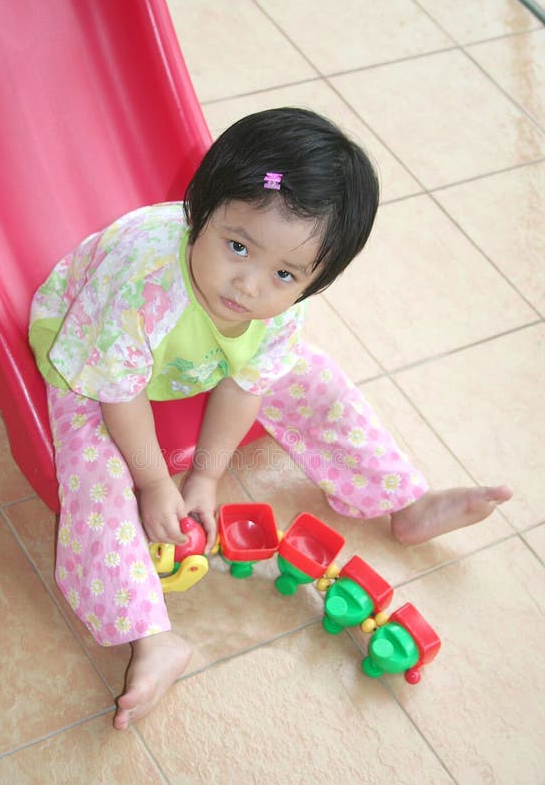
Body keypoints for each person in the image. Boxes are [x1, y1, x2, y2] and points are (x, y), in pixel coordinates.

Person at [29, 108, 512, 730]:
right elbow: (119, 395)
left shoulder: (279, 305)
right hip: (97, 357)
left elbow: (245, 385)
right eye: (237, 246)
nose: (249, 286)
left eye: (284, 273)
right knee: (96, 472)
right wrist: (153, 483)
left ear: (314, 280)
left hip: (187, 361)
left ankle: (404, 500)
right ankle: (150, 639)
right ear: (199, 208)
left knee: (320, 380)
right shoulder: (141, 274)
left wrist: (204, 477)